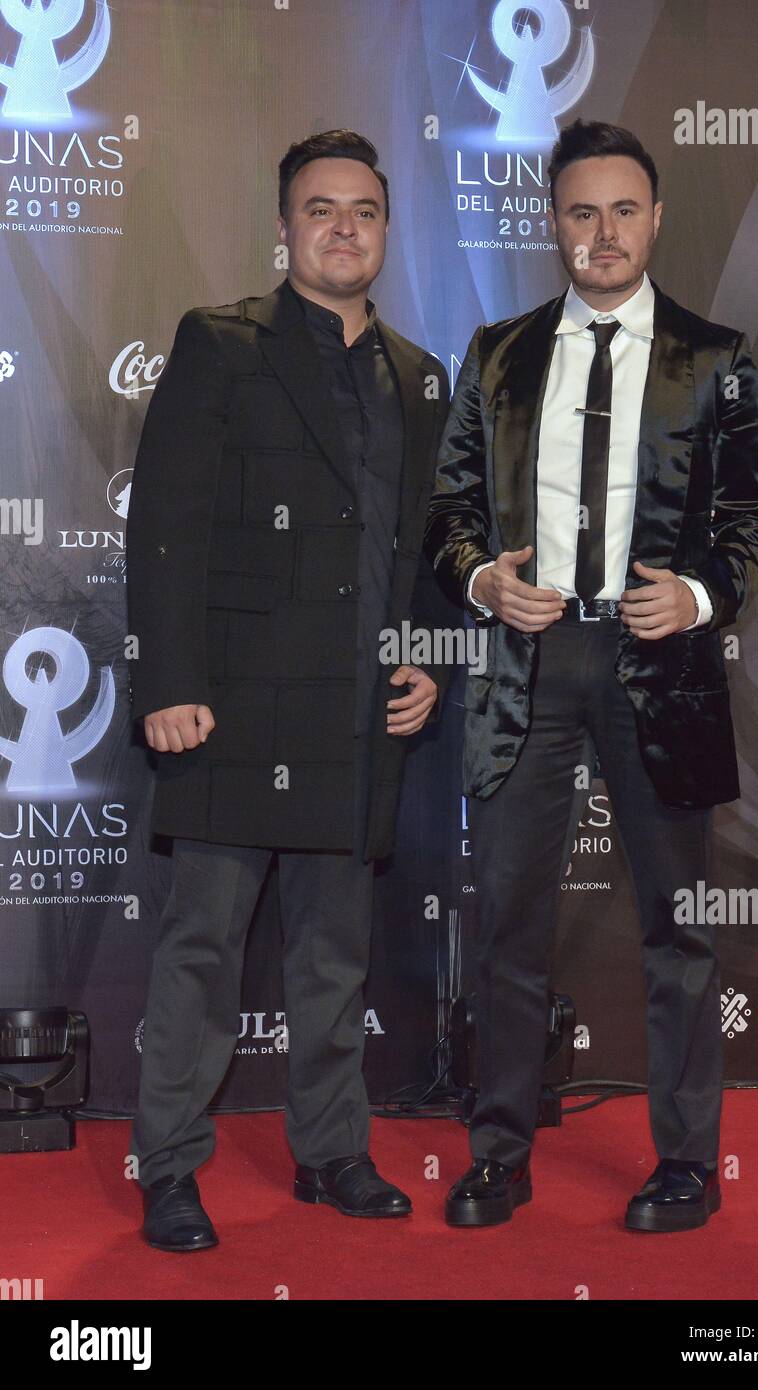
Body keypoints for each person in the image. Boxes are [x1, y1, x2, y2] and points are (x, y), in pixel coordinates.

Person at [424, 118, 758, 1231]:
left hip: (659, 662)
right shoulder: (494, 353)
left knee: (678, 927)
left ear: (655, 217)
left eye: (622, 209)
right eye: (580, 212)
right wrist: (484, 579)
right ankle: (498, 1152)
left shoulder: (714, 357)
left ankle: (685, 1161)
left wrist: (697, 597)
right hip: (527, 662)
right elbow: (444, 517)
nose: (602, 232)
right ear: (552, 225)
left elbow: (755, 515)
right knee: (510, 924)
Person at [126, 129, 453, 1251]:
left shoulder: (419, 376)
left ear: (384, 228)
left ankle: (332, 1153)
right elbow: (161, 523)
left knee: (332, 956)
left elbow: (419, 548)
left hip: (357, 718)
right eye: (320, 209)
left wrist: (422, 653)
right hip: (229, 707)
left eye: (363, 210)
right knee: (201, 955)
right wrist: (169, 680)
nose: (343, 228)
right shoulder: (221, 344)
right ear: (283, 225)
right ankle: (168, 1166)